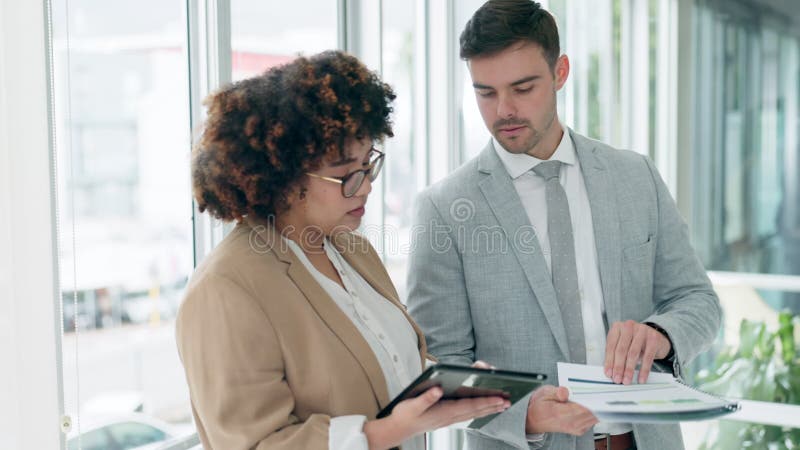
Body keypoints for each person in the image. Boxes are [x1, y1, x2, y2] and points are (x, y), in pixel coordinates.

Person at [406, 1, 722, 449]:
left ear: (560, 73)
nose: (504, 111)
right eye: (486, 92)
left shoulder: (636, 176)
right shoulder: (445, 208)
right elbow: (439, 368)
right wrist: (524, 414)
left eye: (523, 87)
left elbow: (698, 301)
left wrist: (662, 336)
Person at [176, 50, 511, 450]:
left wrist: (455, 388)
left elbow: (386, 362)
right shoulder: (225, 290)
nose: (366, 185)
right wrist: (385, 432)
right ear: (282, 177)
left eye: (368, 164)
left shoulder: (349, 247)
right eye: (345, 175)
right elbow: (254, 444)